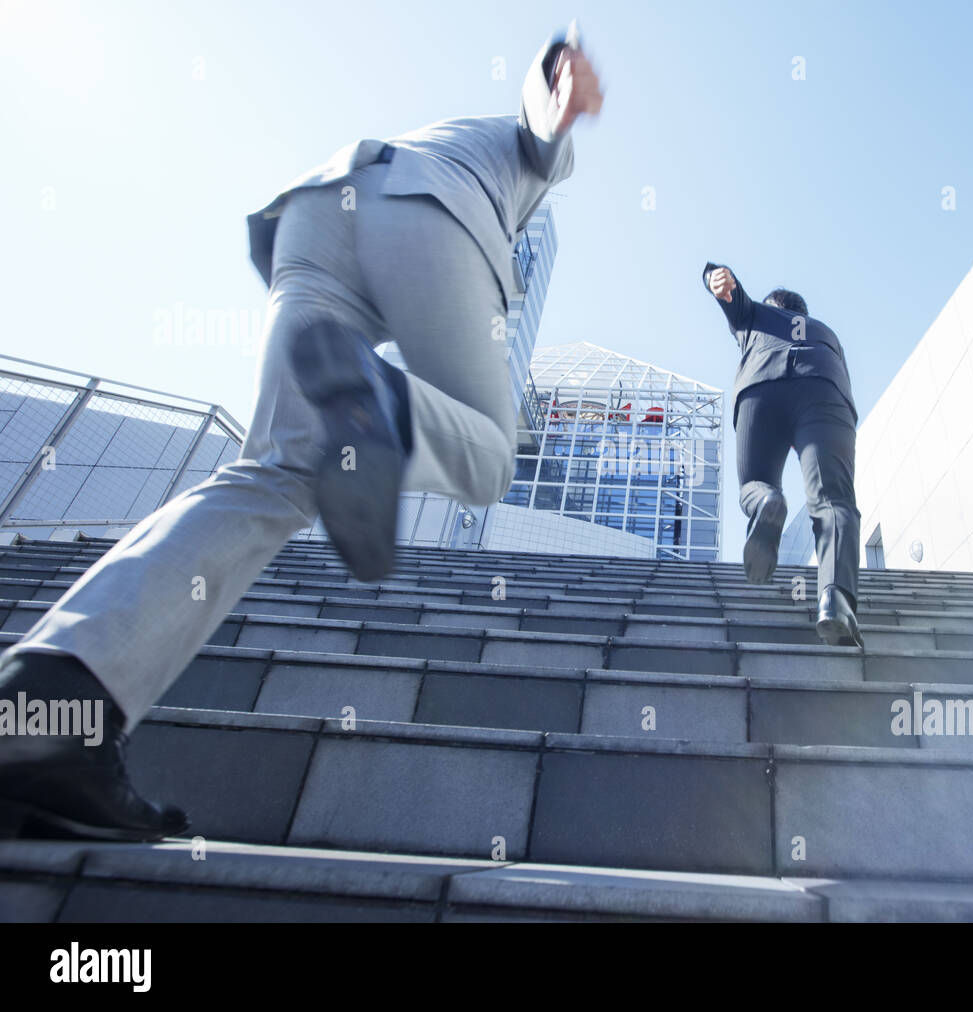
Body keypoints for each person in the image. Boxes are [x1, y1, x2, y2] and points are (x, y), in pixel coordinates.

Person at [0, 26, 604, 842]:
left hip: (319, 216)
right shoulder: (518, 162)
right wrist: (558, 82)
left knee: (274, 476)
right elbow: (541, 124)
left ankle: (50, 706)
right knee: (494, 453)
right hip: (430, 215)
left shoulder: (446, 132)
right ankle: (387, 410)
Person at [702, 262, 863, 648]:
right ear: (803, 313)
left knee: (754, 484)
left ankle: (767, 502)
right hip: (823, 387)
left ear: (772, 305)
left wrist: (716, 277)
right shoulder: (827, 333)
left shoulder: (755, 315)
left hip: (761, 386)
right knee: (832, 499)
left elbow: (730, 294)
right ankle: (835, 599)